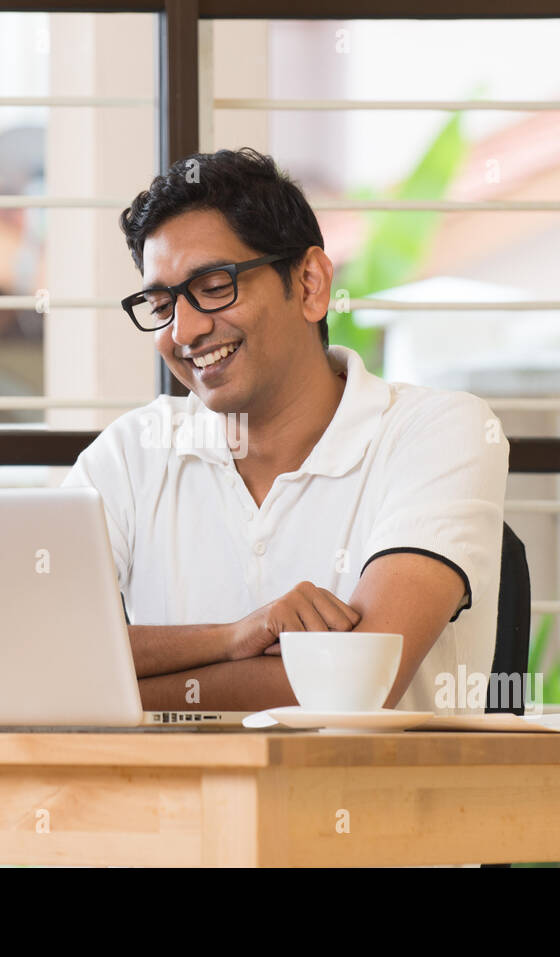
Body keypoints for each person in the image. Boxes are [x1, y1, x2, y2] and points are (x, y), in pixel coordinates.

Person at [61, 147, 509, 714]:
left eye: (215, 285)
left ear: (310, 282)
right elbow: (38, 655)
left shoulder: (439, 431)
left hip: (376, 802)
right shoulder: (131, 453)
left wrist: (119, 691)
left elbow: (355, 688)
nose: (186, 330)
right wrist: (233, 637)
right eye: (161, 303)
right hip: (162, 803)